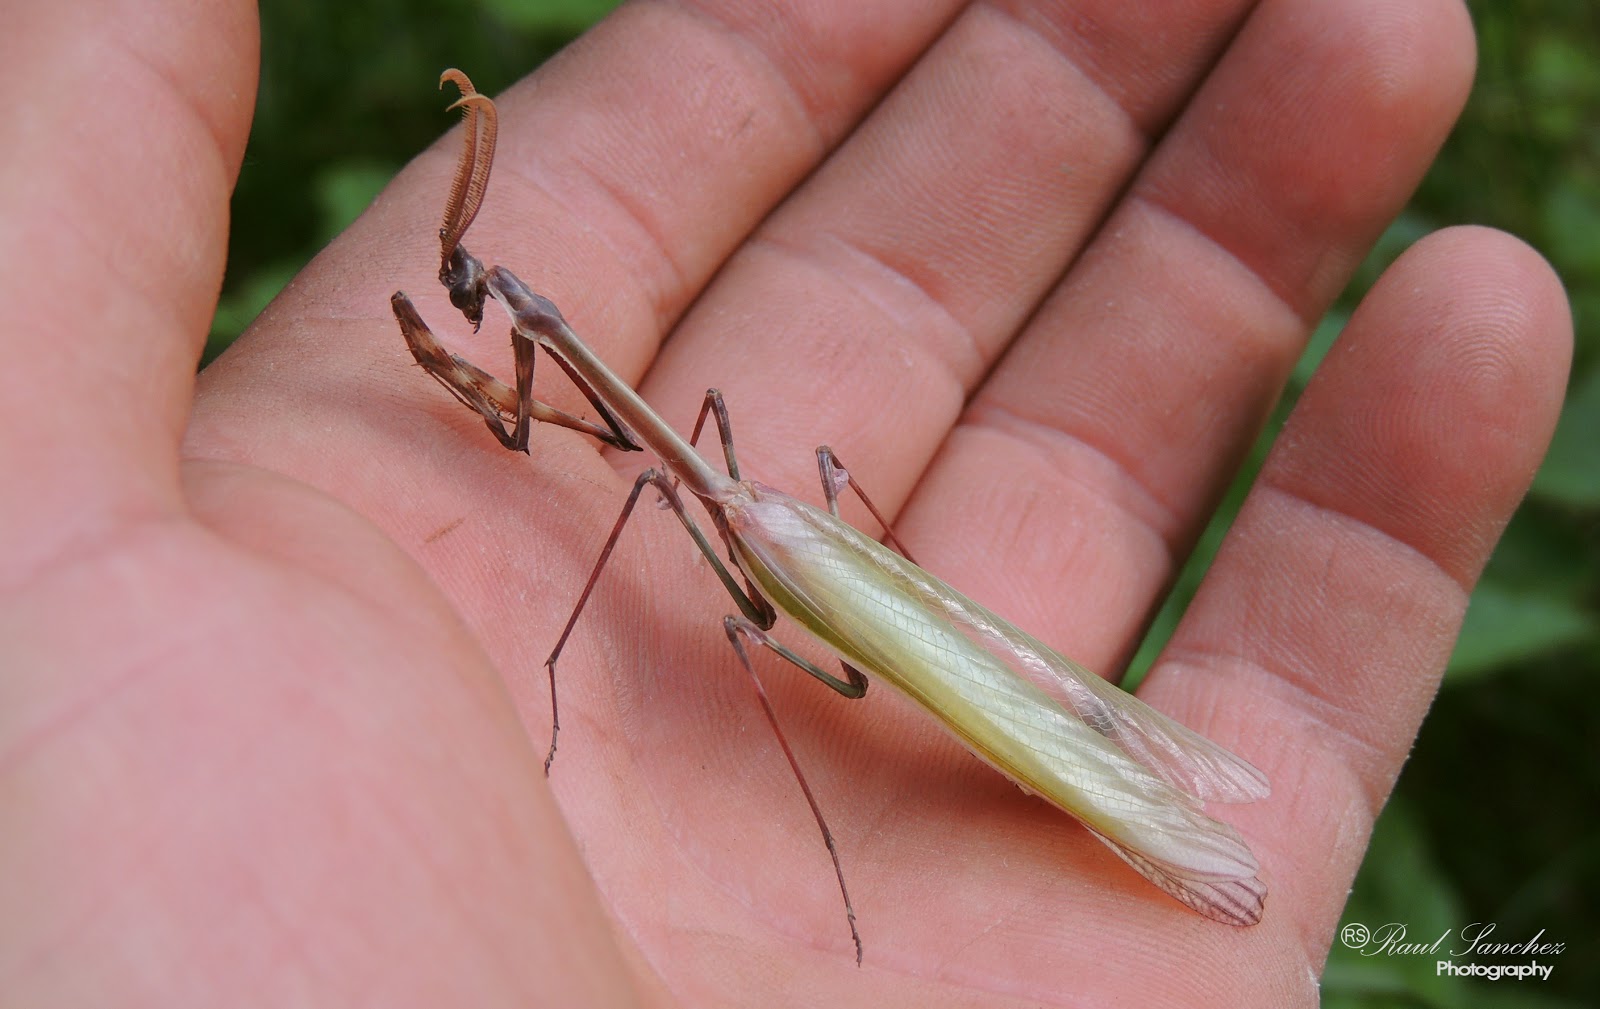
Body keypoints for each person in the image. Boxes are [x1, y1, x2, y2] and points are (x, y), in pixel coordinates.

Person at [1, 0, 1571, 1005]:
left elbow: (553, 442)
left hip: (790, 557)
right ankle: (1106, 757)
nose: (485, 314)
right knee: (763, 527)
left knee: (778, 614)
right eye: (484, 300)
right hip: (783, 527)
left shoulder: (606, 426)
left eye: (486, 297)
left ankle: (1121, 781)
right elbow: (563, 436)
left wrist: (561, 681)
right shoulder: (626, 420)